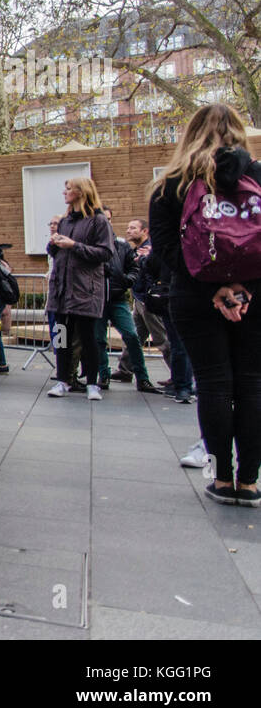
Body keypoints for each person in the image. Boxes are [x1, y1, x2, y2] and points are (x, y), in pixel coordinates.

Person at [149, 103, 261, 507]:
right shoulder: (258, 176)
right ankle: (249, 482)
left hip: (195, 296)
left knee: (213, 384)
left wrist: (213, 286)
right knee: (252, 382)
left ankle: (221, 478)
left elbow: (164, 248)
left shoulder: (171, 184)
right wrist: (242, 286)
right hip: (255, 296)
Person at [46, 177, 115, 400]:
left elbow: (105, 253)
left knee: (88, 338)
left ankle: (92, 383)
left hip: (85, 290)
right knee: (61, 337)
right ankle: (63, 379)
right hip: (62, 290)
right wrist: (54, 244)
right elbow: (56, 253)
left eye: (68, 189)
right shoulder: (65, 220)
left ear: (81, 192)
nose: (64, 193)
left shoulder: (98, 220)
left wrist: (74, 245)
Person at [93, 207, 160, 394]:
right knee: (98, 339)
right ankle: (103, 375)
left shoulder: (121, 245)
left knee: (132, 336)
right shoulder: (91, 245)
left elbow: (133, 267)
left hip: (117, 298)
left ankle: (142, 378)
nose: (106, 222)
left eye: (108, 219)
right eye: (102, 219)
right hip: (97, 300)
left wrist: (127, 280)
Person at [117, 218, 171, 381]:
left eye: (133, 228)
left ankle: (179, 376)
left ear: (144, 231)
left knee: (162, 339)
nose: (128, 231)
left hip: (148, 300)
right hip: (139, 299)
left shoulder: (149, 249)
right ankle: (125, 370)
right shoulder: (138, 249)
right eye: (128, 227)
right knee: (134, 336)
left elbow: (151, 274)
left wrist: (149, 296)